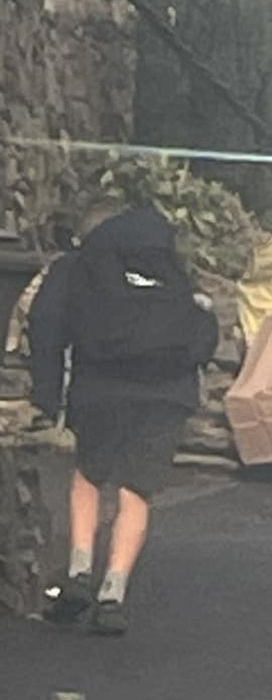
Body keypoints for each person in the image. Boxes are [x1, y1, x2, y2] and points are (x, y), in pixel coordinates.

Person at [28, 202, 219, 637]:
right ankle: (113, 594)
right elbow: (201, 326)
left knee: (89, 475)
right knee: (136, 490)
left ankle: (78, 573)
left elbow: (47, 323)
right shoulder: (167, 263)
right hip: (166, 394)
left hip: (101, 389)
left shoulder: (79, 266)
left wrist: (47, 395)